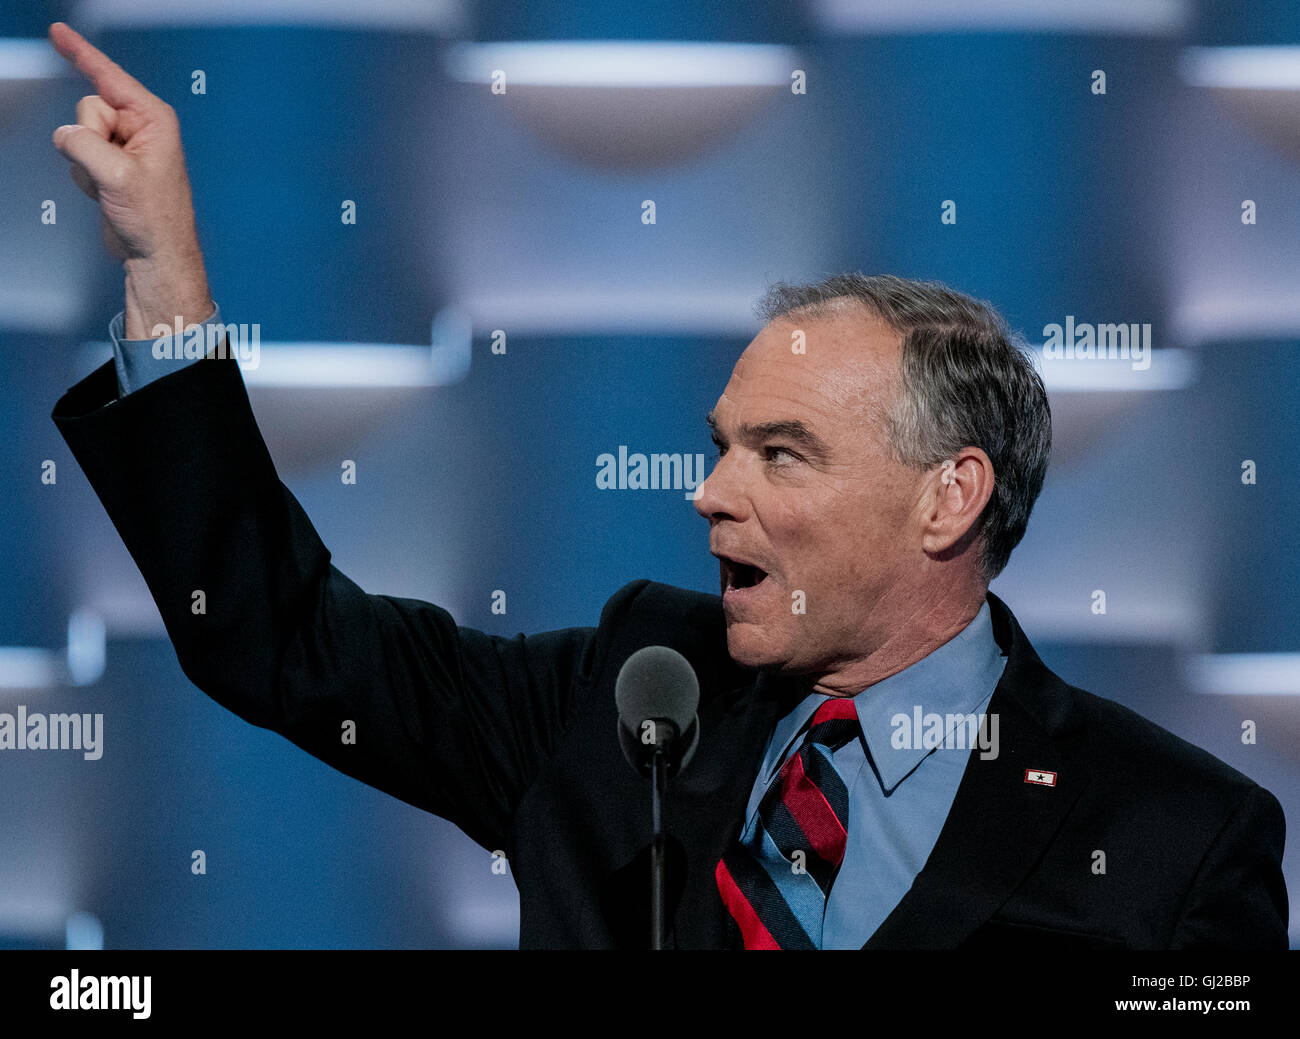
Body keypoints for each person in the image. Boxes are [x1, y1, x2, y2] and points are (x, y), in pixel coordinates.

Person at [46, 21, 1288, 949]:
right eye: (717, 444)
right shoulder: (629, 695)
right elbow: (280, 636)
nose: (709, 493)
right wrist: (167, 280)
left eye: (779, 452)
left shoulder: (1179, 833)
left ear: (947, 497)